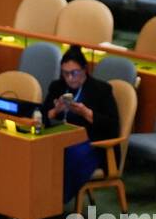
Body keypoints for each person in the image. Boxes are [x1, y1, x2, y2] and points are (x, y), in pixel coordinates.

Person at [43, 46, 120, 203]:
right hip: (60, 139)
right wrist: (55, 110)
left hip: (94, 145)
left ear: (85, 70)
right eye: (65, 73)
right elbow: (41, 115)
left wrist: (86, 113)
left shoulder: (101, 90)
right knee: (39, 152)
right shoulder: (57, 86)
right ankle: (36, 200)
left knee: (68, 156)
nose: (70, 78)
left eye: (74, 73)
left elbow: (112, 126)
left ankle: (53, 201)